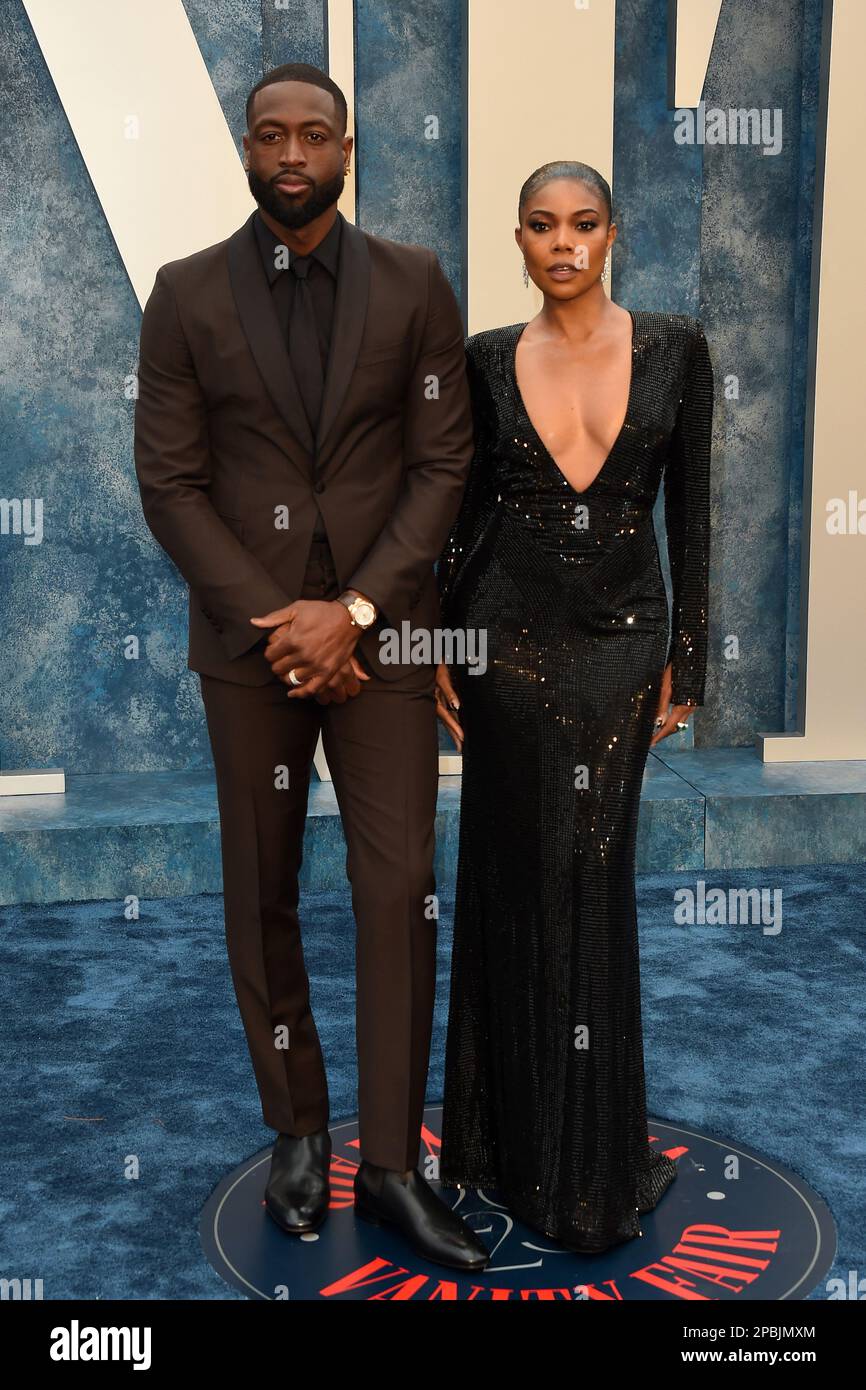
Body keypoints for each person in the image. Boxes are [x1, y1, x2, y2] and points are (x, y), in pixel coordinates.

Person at [133, 62, 490, 1273]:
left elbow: (441, 465)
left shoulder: (414, 282)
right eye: (270, 134)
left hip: (383, 639)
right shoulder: (184, 294)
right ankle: (295, 1128)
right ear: (245, 147)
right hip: (250, 649)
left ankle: (390, 1161)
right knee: (261, 891)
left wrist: (348, 611)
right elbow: (170, 485)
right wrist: (279, 619)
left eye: (313, 134)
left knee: (397, 892)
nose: (291, 152)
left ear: (348, 146)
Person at [434, 160, 712, 1253]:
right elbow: (457, 524)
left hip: (619, 649)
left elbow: (690, 511)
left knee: (587, 879)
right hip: (504, 644)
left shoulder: (678, 349)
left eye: (582, 223)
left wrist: (686, 662)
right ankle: (507, 1149)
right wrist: (441, 651)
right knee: (512, 873)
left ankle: (584, 1166)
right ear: (516, 240)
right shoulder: (484, 361)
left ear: (612, 233)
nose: (562, 242)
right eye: (541, 225)